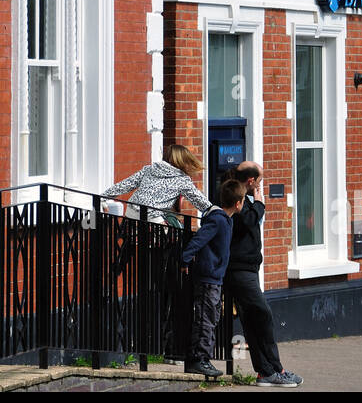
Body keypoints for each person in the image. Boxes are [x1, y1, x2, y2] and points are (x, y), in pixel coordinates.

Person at [226, 162, 301, 387]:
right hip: (239, 270)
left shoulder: (243, 196)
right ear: (251, 181)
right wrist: (260, 203)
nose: (259, 185)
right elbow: (246, 221)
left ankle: (265, 372)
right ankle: (276, 369)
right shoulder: (234, 196)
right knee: (263, 315)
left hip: (248, 269)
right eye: (259, 181)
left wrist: (256, 203)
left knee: (252, 320)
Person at [180, 178, 244, 378]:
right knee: (205, 319)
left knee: (212, 317)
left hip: (215, 277)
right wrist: (185, 259)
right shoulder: (217, 220)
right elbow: (199, 239)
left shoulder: (226, 220)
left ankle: (203, 358)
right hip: (208, 277)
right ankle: (199, 359)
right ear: (238, 203)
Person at [101, 144, 214, 227]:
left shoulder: (150, 169)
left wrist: (103, 196)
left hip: (132, 211)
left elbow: (126, 184)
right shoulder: (182, 179)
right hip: (152, 217)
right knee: (177, 236)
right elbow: (199, 200)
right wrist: (215, 211)